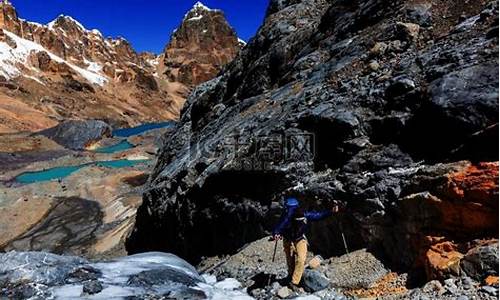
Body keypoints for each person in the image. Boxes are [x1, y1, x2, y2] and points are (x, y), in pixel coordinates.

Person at [272, 197, 340, 290]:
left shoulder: (297, 215)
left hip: (299, 239)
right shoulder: (291, 216)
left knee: (301, 259)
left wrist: (331, 211)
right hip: (289, 239)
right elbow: (281, 225)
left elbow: (318, 215)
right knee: (290, 259)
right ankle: (291, 275)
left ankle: (294, 282)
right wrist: (276, 233)